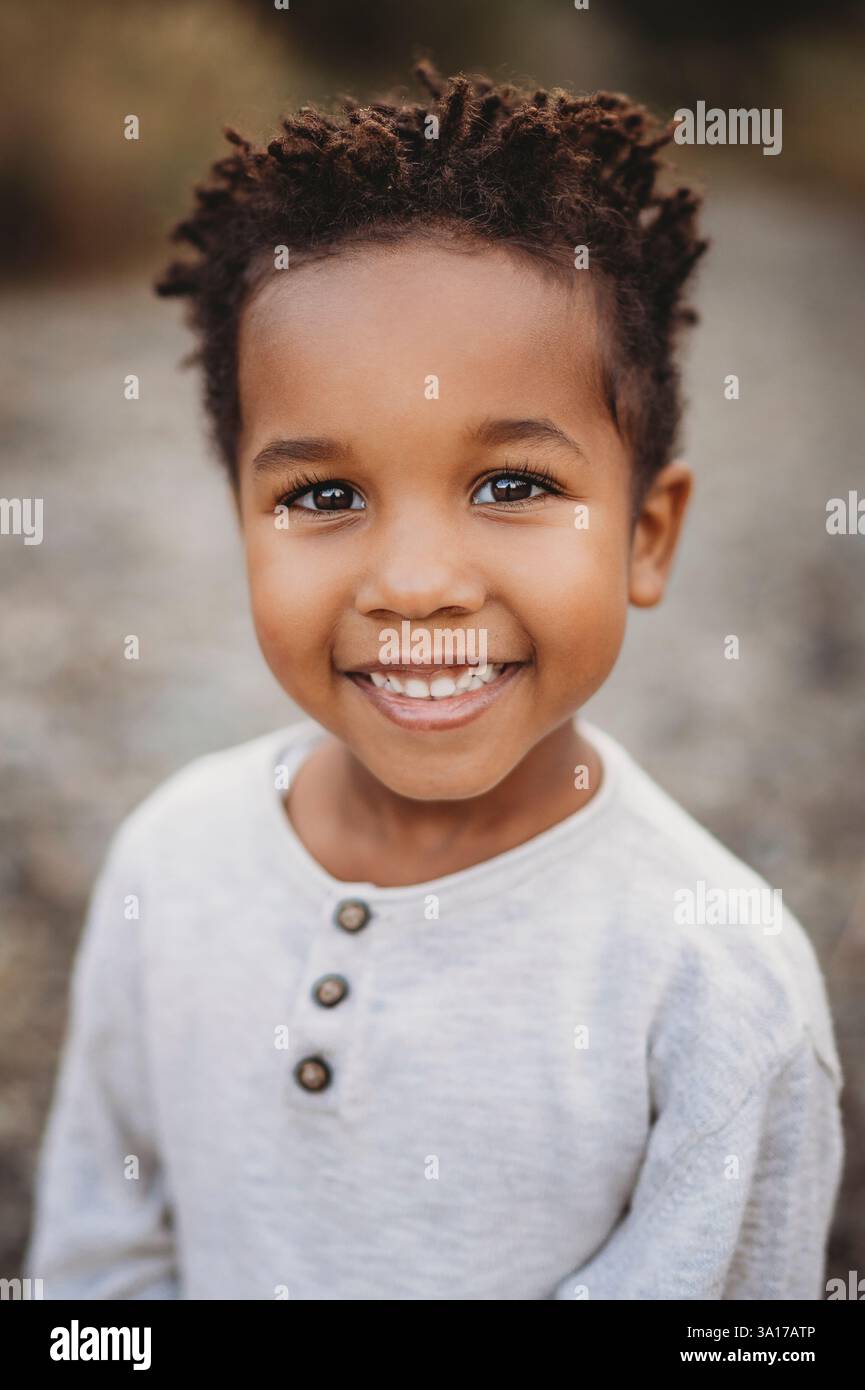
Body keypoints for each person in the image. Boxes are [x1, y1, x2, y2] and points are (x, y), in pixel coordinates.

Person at [24, 63, 843, 1300]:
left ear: (645, 536)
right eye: (322, 495)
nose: (413, 583)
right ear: (240, 520)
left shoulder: (714, 982)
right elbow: (99, 1263)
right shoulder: (167, 864)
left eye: (512, 485)